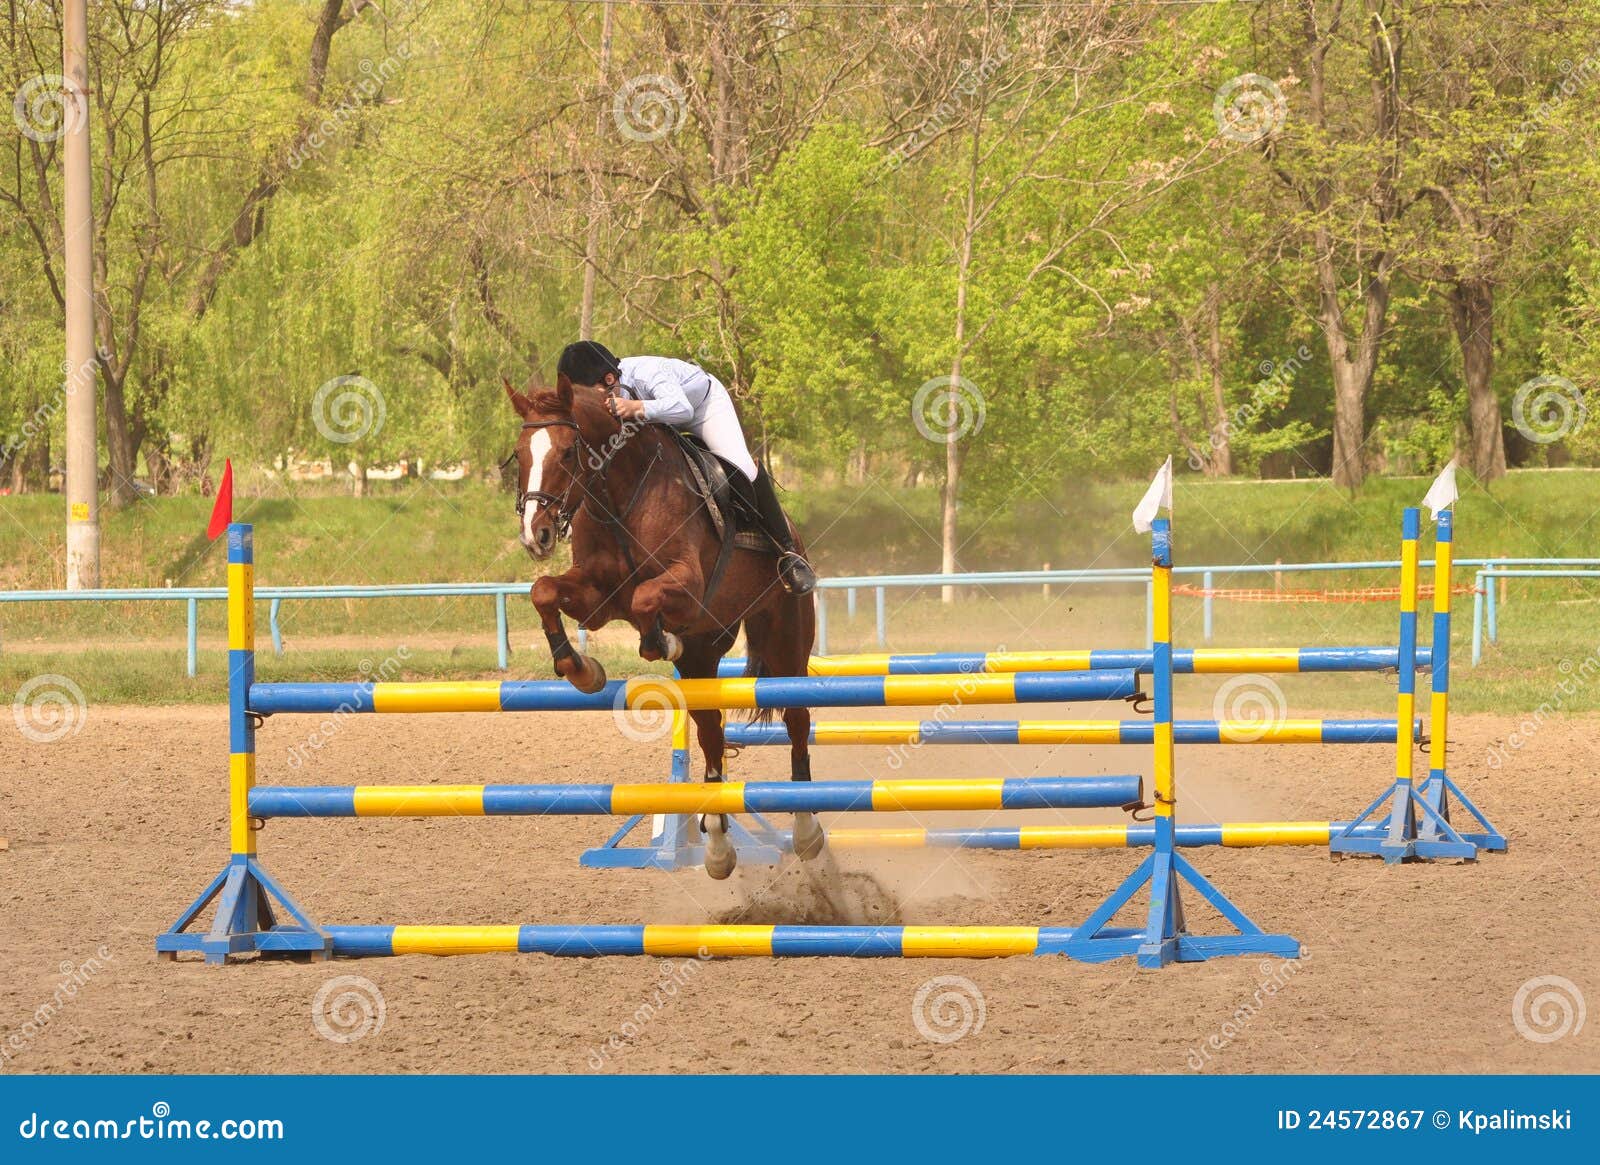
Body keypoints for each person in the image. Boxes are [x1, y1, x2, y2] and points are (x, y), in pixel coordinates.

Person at [554, 340, 818, 595]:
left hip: (703, 408)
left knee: (743, 469)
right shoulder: (607, 394)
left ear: (610, 380)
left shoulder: (648, 373)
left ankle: (788, 553)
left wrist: (635, 407)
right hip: (659, 421)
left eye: (588, 395)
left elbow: (683, 410)